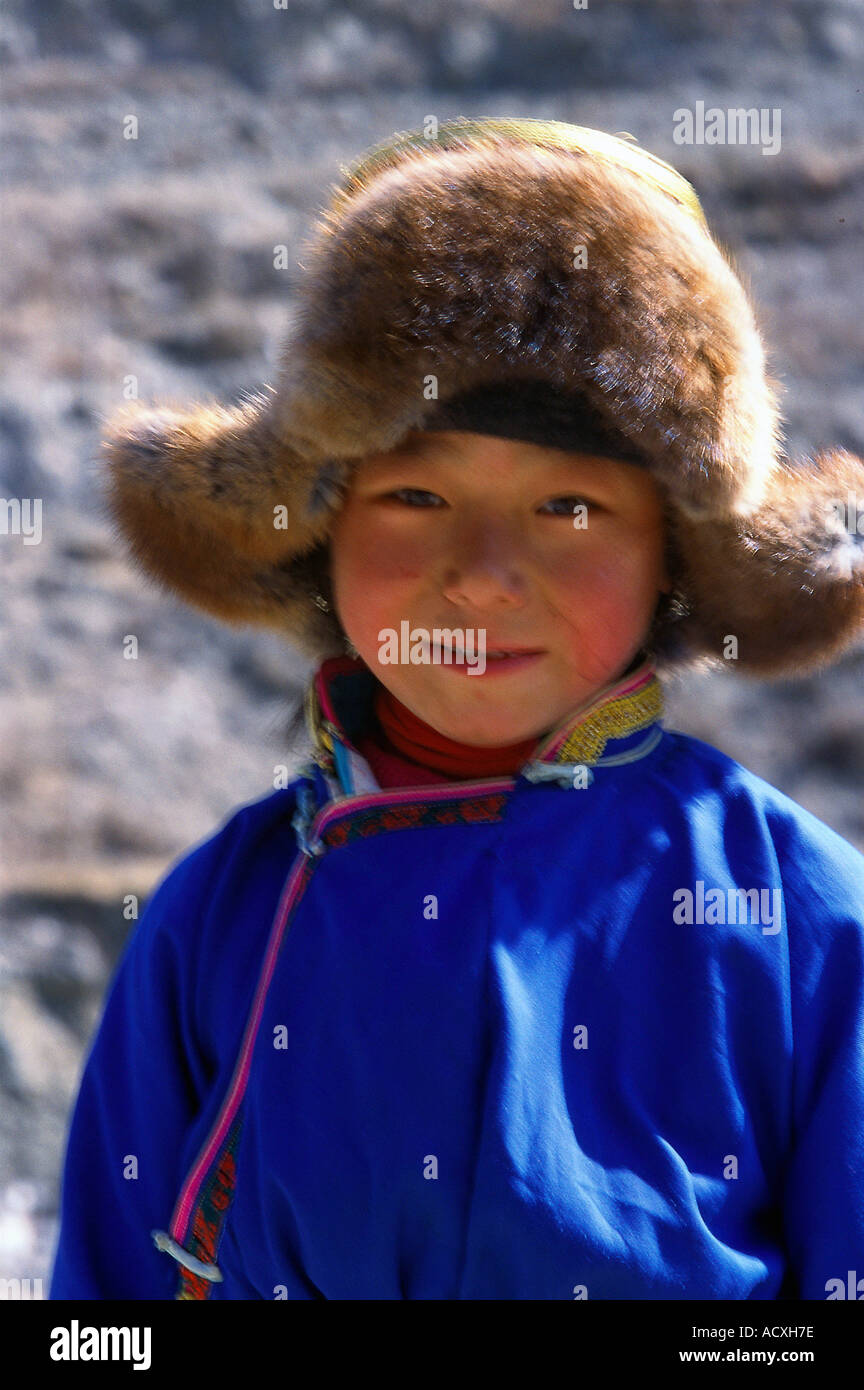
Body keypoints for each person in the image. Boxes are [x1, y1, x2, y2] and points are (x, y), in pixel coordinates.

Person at [50, 118, 864, 1300]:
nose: (484, 571)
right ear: (322, 534)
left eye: (572, 508)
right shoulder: (214, 920)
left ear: (672, 562)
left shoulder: (802, 921)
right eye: (418, 492)